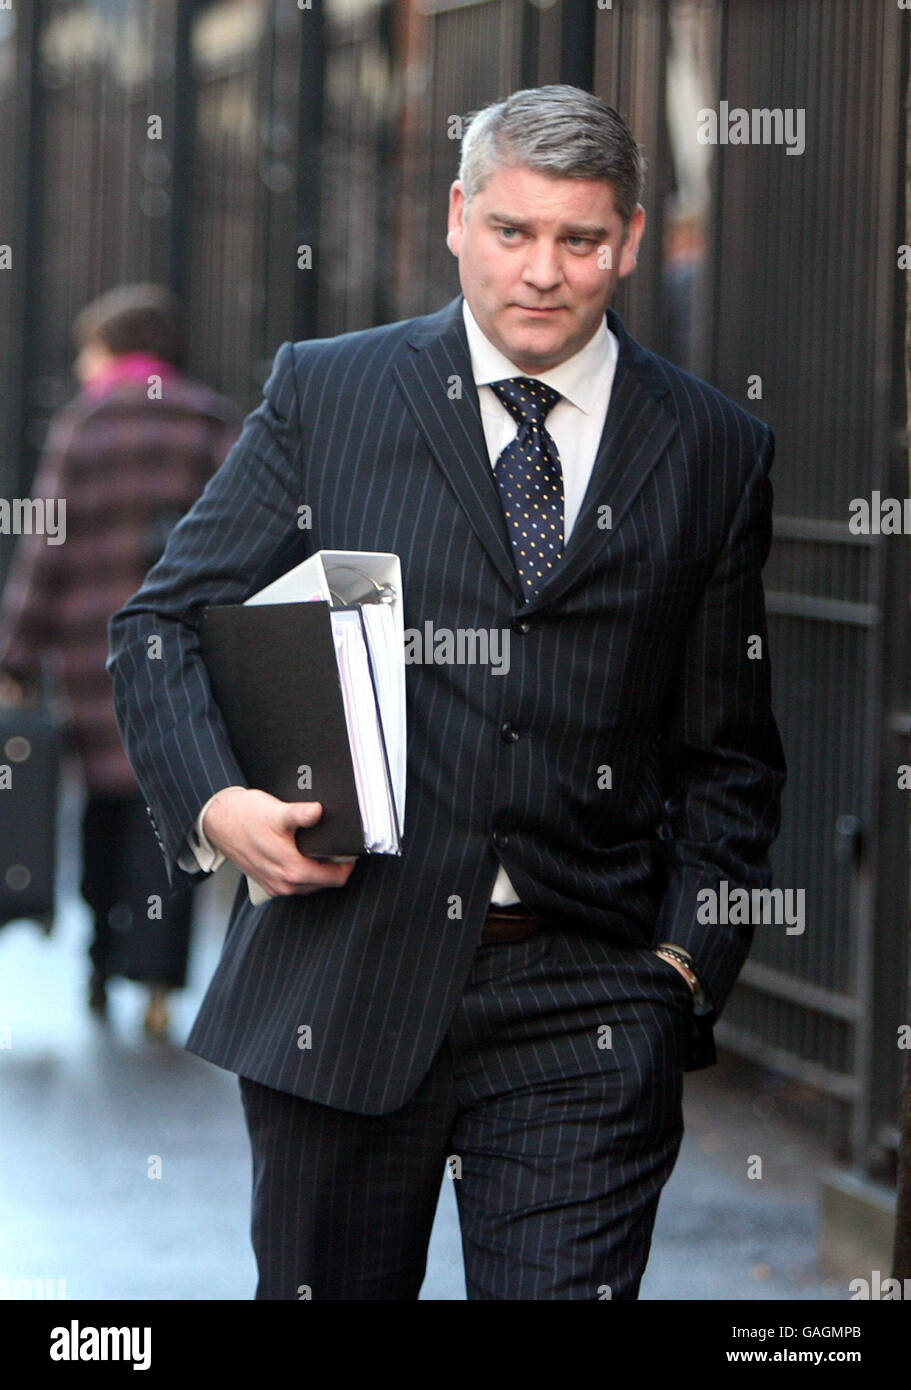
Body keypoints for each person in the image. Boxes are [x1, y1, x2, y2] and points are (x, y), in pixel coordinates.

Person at [107, 86, 786, 1298]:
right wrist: (216, 807)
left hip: (585, 1002)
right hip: (344, 979)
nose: (542, 272)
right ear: (458, 218)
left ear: (628, 241)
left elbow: (727, 750)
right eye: (513, 232)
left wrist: (679, 976)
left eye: (578, 240)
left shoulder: (712, 447)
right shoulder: (330, 393)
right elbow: (159, 624)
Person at [0, 283, 241, 1036]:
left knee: (102, 811)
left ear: (114, 352)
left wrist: (15, 651)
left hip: (93, 652)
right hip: (184, 655)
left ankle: (101, 962)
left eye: (87, 350)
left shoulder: (84, 426)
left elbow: (46, 548)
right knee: (172, 815)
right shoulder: (212, 423)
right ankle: (161, 982)